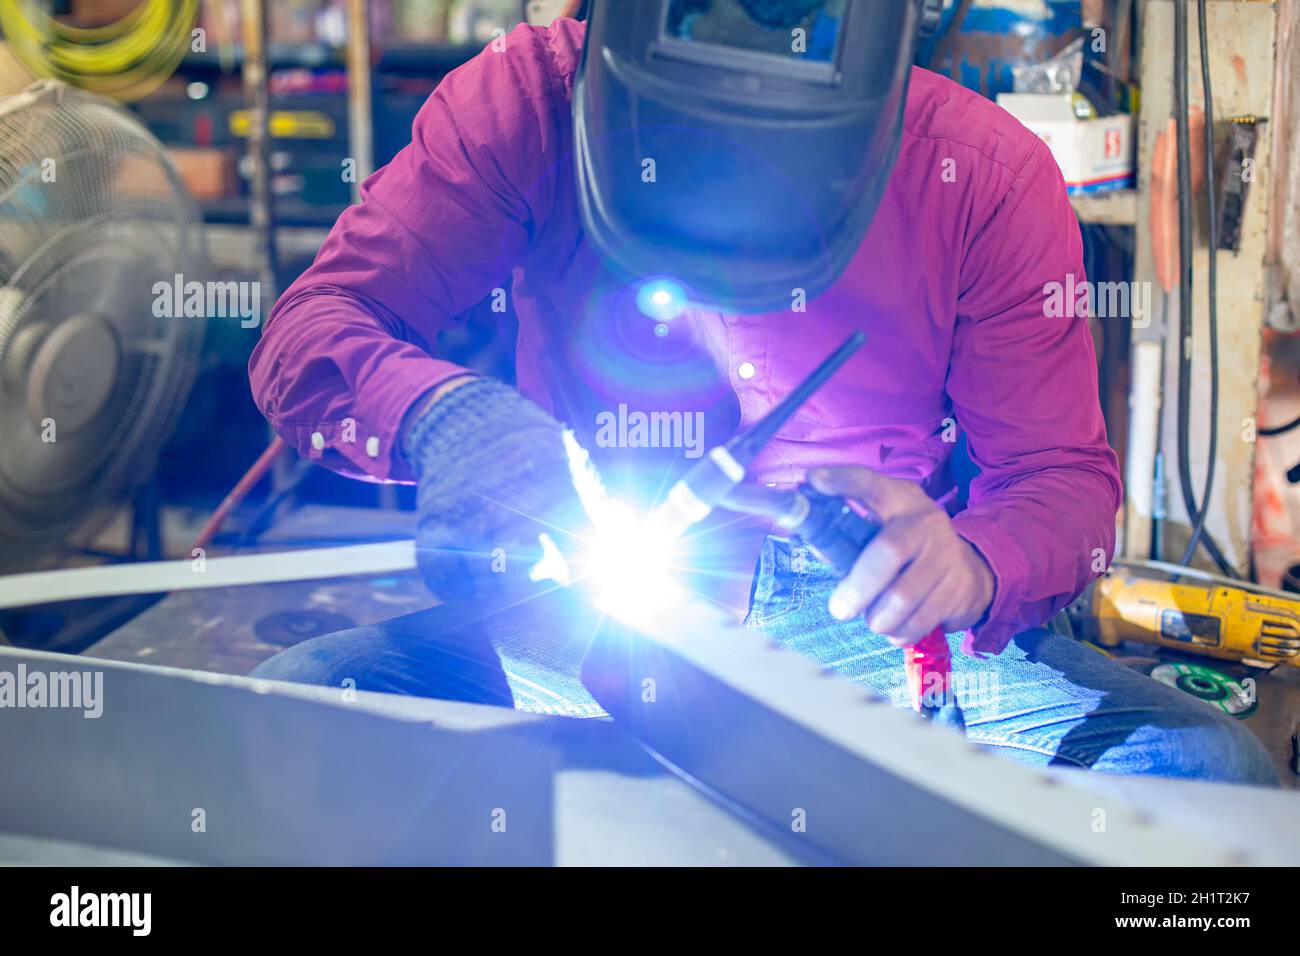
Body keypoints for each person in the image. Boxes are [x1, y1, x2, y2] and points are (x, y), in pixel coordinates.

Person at [247, 13, 1277, 784]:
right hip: (584, 609)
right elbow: (314, 328)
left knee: (1210, 779)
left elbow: (1061, 481)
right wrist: (443, 417)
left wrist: (967, 563)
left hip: (854, 628)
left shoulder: (984, 173)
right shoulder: (526, 98)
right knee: (300, 710)